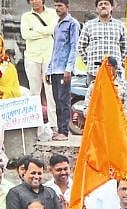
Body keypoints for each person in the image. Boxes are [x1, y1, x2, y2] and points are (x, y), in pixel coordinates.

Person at [21, 0, 58, 128]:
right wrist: (45, 31)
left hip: (49, 56)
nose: (35, 1)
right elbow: (25, 34)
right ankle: (34, 124)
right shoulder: (26, 17)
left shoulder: (52, 13)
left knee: (50, 91)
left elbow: (53, 29)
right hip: (32, 57)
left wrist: (36, 30)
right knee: (34, 92)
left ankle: (54, 125)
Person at [47, 0, 80, 140]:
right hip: (55, 68)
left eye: (60, 6)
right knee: (56, 100)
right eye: (55, 6)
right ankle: (60, 129)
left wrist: (69, 69)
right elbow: (55, 49)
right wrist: (49, 69)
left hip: (64, 69)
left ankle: (64, 132)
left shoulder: (73, 24)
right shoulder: (57, 25)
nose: (57, 8)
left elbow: (74, 48)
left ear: (67, 7)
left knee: (64, 100)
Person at [76, 0, 127, 82]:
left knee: (115, 95)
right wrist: (89, 61)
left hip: (114, 73)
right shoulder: (89, 25)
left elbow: (125, 48)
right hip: (94, 73)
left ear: (112, 7)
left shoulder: (120, 25)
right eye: (100, 4)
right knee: (93, 94)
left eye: (106, 4)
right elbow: (80, 47)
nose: (103, 6)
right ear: (97, 9)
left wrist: (116, 62)